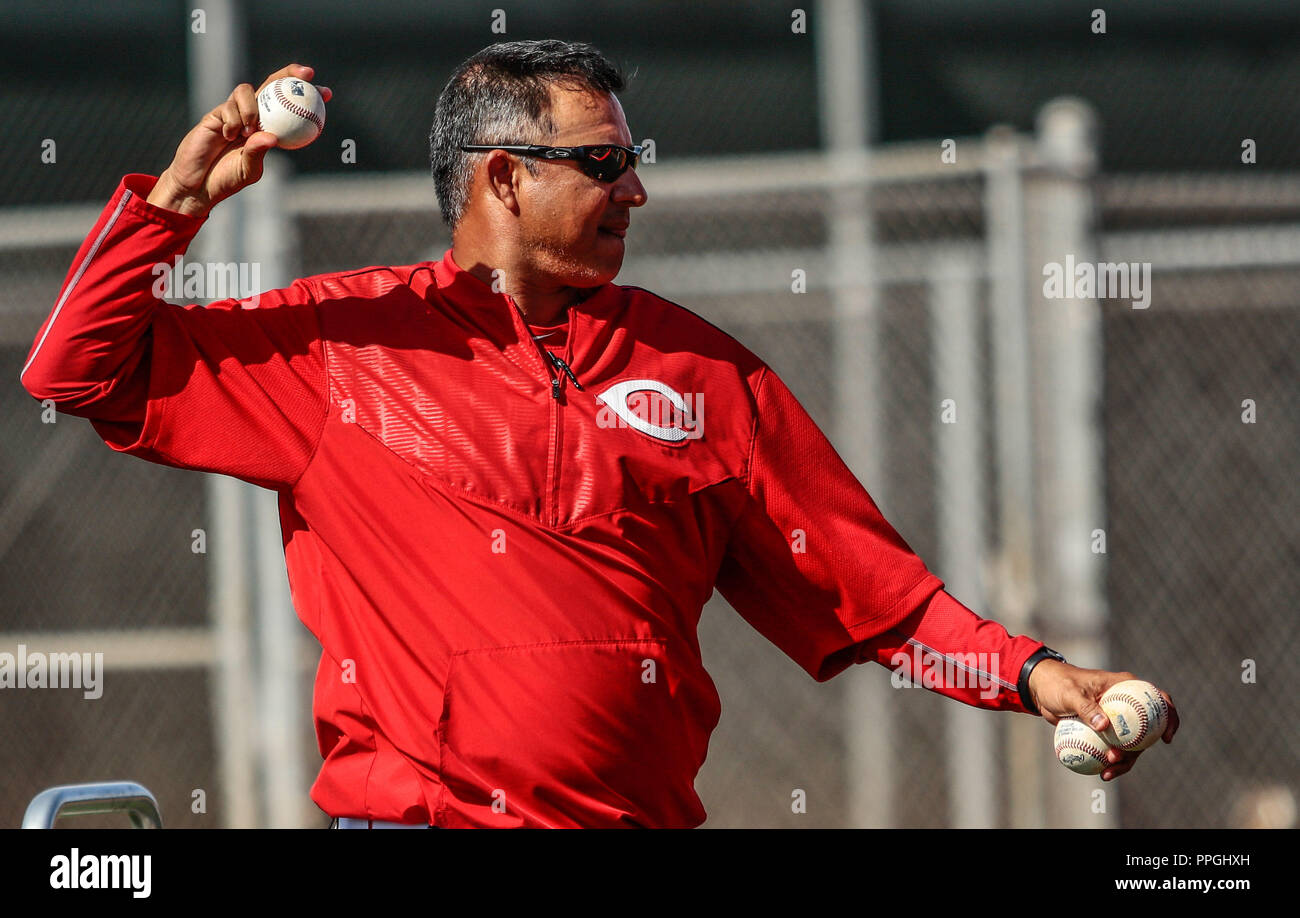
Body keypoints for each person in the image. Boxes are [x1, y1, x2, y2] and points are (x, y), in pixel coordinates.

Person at [20, 40, 1177, 829]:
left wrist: (1032, 678)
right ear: (506, 178)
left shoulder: (704, 371)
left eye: (635, 164)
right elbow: (75, 367)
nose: (635, 192)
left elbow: (877, 599)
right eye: (606, 165)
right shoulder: (342, 344)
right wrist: (174, 202)